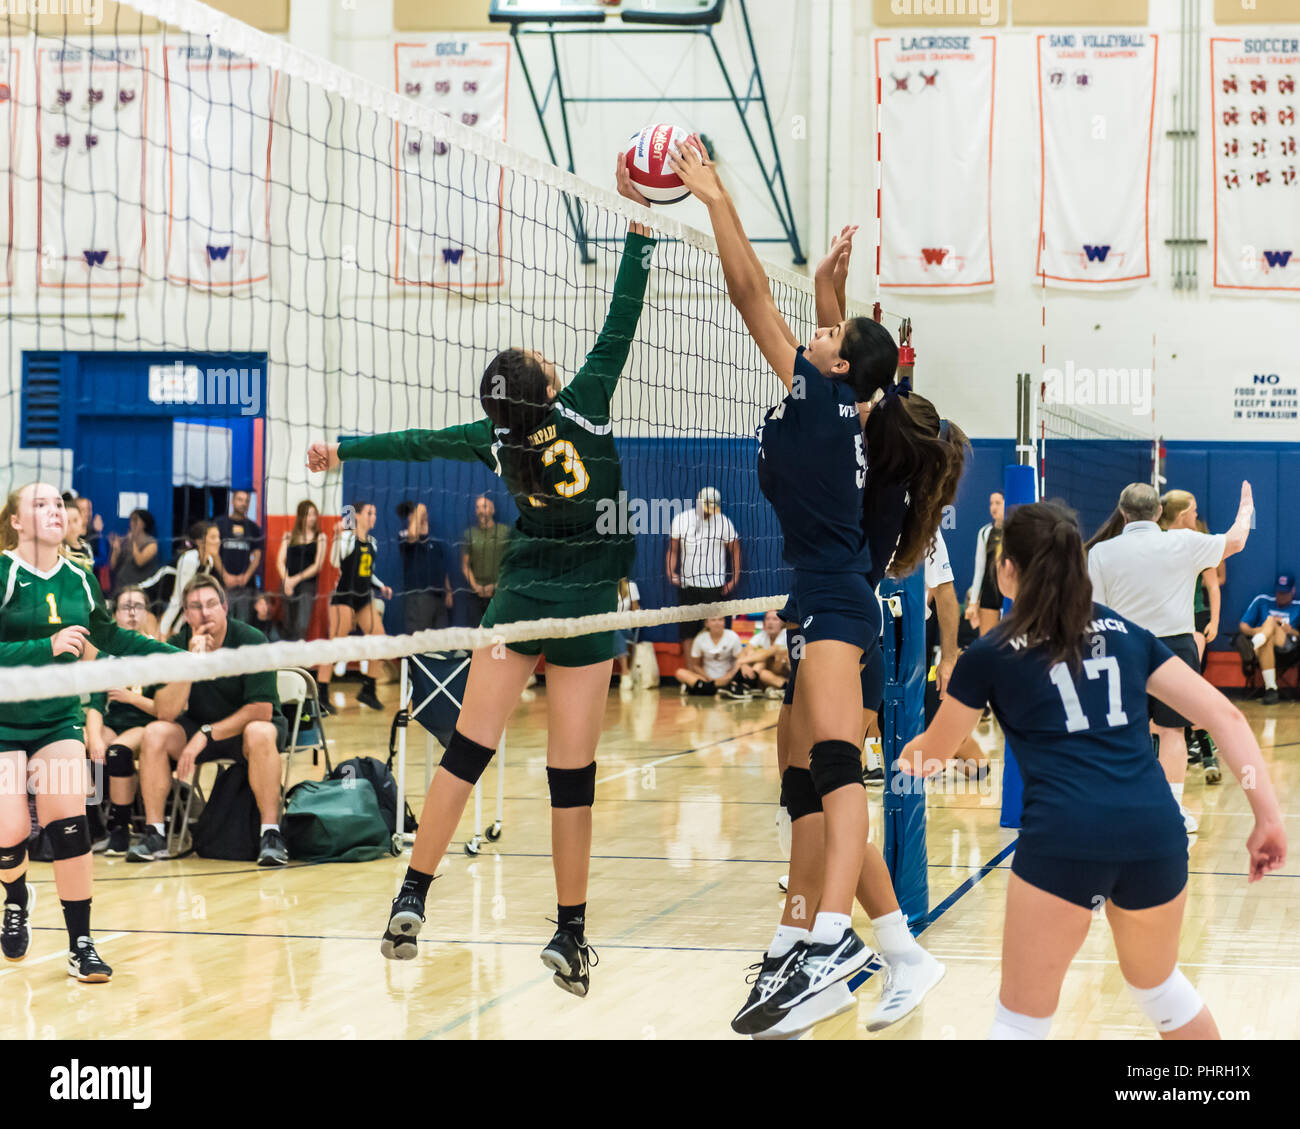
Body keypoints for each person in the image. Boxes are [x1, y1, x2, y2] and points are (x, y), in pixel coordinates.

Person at [308, 154, 656, 996]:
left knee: (466, 750)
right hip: (583, 606)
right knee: (570, 777)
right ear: (545, 384)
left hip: (524, 594)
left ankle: (412, 895)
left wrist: (343, 450)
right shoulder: (586, 401)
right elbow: (623, 316)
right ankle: (570, 936)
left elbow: (413, 441)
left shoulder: (494, 440)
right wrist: (639, 232)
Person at [671, 143, 966, 1036]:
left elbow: (751, 295)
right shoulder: (848, 413)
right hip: (824, 601)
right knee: (802, 781)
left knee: (836, 771)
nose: (815, 333)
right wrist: (834, 298)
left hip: (839, 605)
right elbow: (850, 363)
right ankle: (887, 949)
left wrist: (716, 198)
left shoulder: (828, 398)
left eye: (826, 335)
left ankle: (831, 941)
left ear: (840, 372)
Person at [900, 501, 1287, 1041]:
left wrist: (894, 758)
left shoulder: (989, 653)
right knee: (1163, 993)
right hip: (1153, 835)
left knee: (1020, 1021)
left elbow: (933, 755)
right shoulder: (1128, 634)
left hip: (1064, 838)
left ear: (1007, 569)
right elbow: (1222, 715)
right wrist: (1267, 814)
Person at [0, 484, 180, 981]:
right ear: (16, 521)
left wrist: (180, 659)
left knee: (69, 825)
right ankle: (16, 896)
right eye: (40, 504)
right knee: (9, 833)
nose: (54, 510)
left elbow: (112, 637)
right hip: (2, 721)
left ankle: (82, 944)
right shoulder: (4, 572)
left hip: (57, 719)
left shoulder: (79, 576)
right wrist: (46, 646)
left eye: (58, 503)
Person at [1087, 482, 1253, 834]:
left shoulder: (1100, 552)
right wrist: (1246, 509)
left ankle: (1124, 809)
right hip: (1174, 650)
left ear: (1122, 512)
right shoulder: (1185, 542)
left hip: (1121, 645)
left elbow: (1095, 612)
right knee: (1172, 731)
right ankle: (1171, 811)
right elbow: (1236, 541)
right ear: (1159, 512)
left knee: (1125, 732)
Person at [127, 575, 290, 867]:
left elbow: (262, 709)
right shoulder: (177, 645)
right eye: (196, 606)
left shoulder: (251, 641)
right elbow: (164, 711)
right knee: (154, 733)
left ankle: (271, 835)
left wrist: (206, 733)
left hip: (244, 732)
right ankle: (155, 833)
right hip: (199, 728)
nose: (205, 612)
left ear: (225, 607)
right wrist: (191, 663)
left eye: (212, 604)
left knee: (260, 732)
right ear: (186, 614)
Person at [83, 586, 159, 856]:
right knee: (75, 743)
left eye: (138, 606)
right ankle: (93, 826)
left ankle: (120, 828)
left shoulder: (156, 653)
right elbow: (95, 705)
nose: (132, 613)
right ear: (114, 615)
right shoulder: (106, 655)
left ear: (147, 614)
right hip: (113, 725)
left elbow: (166, 710)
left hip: (148, 724)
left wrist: (131, 698)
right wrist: (93, 739)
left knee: (117, 751)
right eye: (125, 607)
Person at [1158, 492, 1223, 782]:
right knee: (1161, 695)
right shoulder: (1155, 541)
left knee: (1187, 687)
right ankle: (1167, 752)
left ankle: (1207, 749)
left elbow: (1213, 585)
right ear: (1182, 513)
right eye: (1194, 510)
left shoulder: (1197, 543)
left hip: (1192, 622)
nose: (1198, 515)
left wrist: (1215, 621)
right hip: (1158, 625)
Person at [316, 501, 392, 712]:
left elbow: (367, 572)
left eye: (375, 512)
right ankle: (321, 693)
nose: (373, 516)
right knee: (336, 646)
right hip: (343, 597)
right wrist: (337, 536)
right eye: (369, 512)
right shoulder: (347, 538)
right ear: (356, 516)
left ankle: (368, 689)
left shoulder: (373, 542)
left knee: (380, 640)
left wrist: (381, 586)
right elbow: (334, 562)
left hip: (363, 597)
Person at [667, 487, 740, 639]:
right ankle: (690, 664)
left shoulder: (724, 522)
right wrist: (670, 571)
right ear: (697, 502)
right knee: (687, 632)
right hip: (687, 584)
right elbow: (672, 550)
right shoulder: (681, 519)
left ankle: (710, 663)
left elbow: (735, 551)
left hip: (714, 585)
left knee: (714, 631)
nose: (707, 512)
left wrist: (734, 579)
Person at [1238, 572, 1300, 706]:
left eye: (1285, 593)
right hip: (1267, 643)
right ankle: (1271, 689)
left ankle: (1253, 644)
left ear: (1293, 590)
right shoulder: (1262, 600)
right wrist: (1261, 630)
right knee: (1268, 635)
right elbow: (1243, 626)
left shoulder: (1298, 605)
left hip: (1287, 645)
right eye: (1279, 592)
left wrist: (1291, 630)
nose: (1281, 596)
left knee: (1270, 620)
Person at [158, 522, 224, 639]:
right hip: (154, 594)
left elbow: (191, 600)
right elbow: (178, 600)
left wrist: (176, 632)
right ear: (200, 542)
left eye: (218, 537)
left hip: (168, 600)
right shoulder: (190, 559)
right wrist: (163, 636)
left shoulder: (209, 561)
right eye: (213, 537)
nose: (218, 541)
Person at [397, 501, 452, 633]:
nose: (423, 515)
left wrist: (449, 592)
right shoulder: (404, 536)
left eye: (424, 514)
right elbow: (412, 535)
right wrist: (419, 510)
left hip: (439, 598)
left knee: (440, 643)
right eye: (417, 514)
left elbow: (442, 568)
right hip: (418, 597)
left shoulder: (436, 543)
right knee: (418, 642)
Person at [276, 500, 327, 642]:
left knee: (301, 624)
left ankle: (299, 661)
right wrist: (286, 581)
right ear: (301, 517)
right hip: (287, 584)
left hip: (307, 586)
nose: (312, 518)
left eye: (314, 514)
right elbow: (280, 561)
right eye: (308, 514)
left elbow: (318, 566)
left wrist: (295, 579)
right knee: (287, 623)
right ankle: (287, 661)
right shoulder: (288, 536)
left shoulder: (320, 537)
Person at [215, 489, 264, 623]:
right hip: (223, 585)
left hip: (245, 587)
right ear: (233, 501)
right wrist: (225, 575)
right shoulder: (220, 524)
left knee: (243, 623)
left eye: (247, 501)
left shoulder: (253, 528)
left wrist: (246, 576)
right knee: (223, 622)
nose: (243, 504)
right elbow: (213, 553)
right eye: (240, 500)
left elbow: (257, 555)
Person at [461, 495, 509, 627]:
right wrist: (477, 587)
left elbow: (512, 564)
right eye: (477, 507)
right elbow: (465, 566)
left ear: (493, 510)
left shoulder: (505, 532)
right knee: (478, 637)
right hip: (476, 596)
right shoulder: (469, 534)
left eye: (484, 506)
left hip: (500, 594)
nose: (481, 510)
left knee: (500, 636)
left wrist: (496, 585)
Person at [675, 616, 748, 699]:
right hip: (706, 678)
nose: (717, 623)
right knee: (680, 672)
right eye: (713, 620)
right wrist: (708, 677)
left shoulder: (732, 636)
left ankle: (701, 688)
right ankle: (712, 688)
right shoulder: (700, 639)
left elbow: (741, 659)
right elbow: (695, 665)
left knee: (744, 667)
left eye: (720, 619)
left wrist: (730, 675)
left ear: (724, 622)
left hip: (727, 677)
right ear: (707, 623)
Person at [965, 492, 1005, 636]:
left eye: (998, 503)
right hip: (990, 595)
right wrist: (973, 602)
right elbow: (979, 570)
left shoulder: (1015, 531)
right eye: (991, 503)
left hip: (1009, 596)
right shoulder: (985, 532)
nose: (993, 507)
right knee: (988, 642)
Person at [738, 610, 790, 699]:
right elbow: (745, 650)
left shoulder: (785, 633)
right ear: (764, 622)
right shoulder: (762, 634)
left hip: (788, 672)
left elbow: (769, 652)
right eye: (768, 619)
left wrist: (740, 662)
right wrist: (743, 665)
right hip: (770, 674)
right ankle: (753, 685)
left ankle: (749, 683)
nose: (770, 622)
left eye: (775, 619)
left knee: (774, 655)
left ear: (782, 623)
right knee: (762, 670)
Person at [109, 508, 160, 596]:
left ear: (144, 523)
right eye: (131, 520)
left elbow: (139, 562)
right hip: (121, 587)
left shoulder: (152, 543)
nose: (131, 523)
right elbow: (112, 566)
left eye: (135, 520)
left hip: (140, 589)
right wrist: (115, 550)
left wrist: (134, 540)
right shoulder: (125, 541)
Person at [614, 576, 641, 690]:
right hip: (608, 629)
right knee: (614, 631)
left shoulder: (631, 586)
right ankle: (626, 673)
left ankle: (625, 672)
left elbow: (636, 610)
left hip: (626, 629)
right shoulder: (605, 587)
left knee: (616, 632)